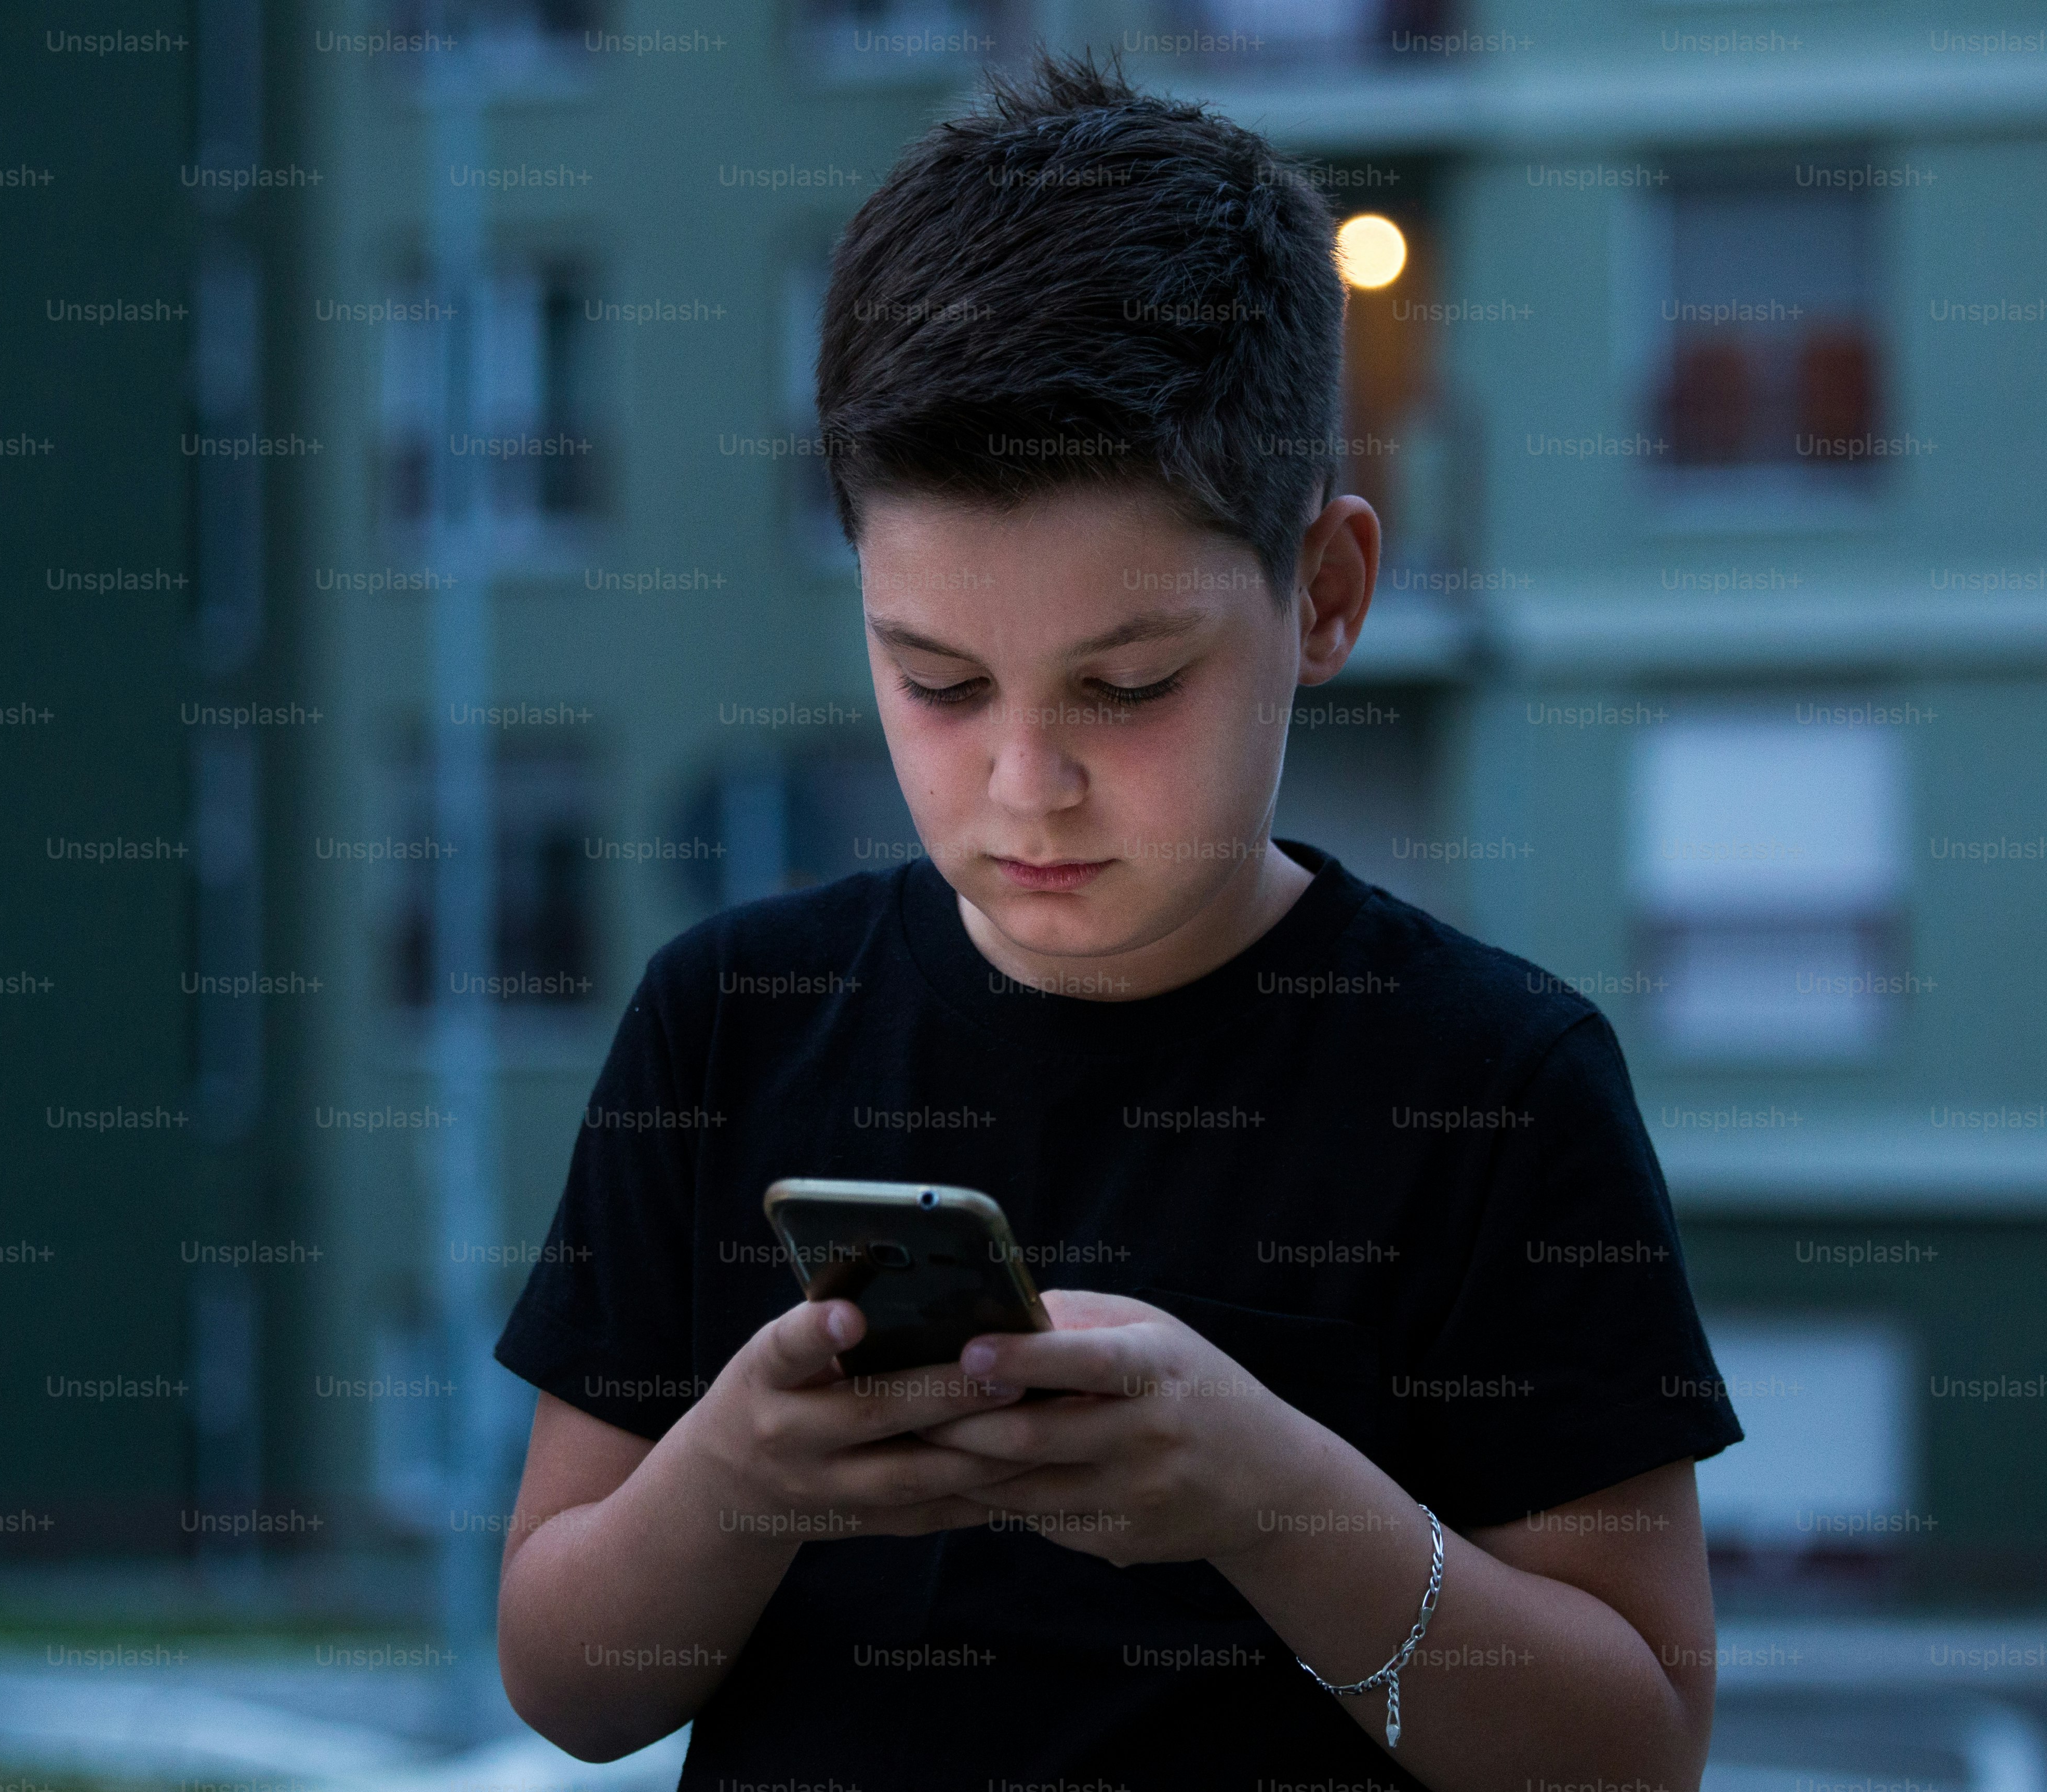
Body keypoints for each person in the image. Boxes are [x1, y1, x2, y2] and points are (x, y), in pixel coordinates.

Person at [490, 51, 1742, 1792]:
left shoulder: (1494, 1083)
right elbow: (565, 1675)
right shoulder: (729, 1018)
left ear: (1324, 595)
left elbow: (1635, 1749)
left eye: (1128, 685)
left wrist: (1269, 1496)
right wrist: (735, 1477)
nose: (1026, 784)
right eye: (935, 682)